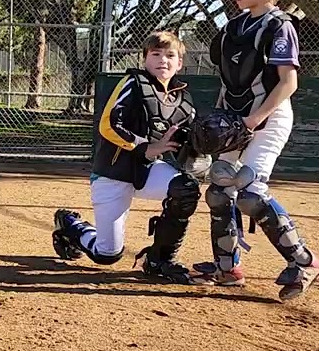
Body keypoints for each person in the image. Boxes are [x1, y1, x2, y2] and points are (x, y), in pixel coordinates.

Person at [190, 0, 319, 300]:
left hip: (269, 117)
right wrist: (222, 120)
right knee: (220, 190)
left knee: (250, 195)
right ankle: (228, 268)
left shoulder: (279, 26)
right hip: (236, 119)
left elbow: (288, 83)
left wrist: (253, 120)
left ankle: (306, 261)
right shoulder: (232, 27)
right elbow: (229, 82)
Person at [52, 31, 207, 284]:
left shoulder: (183, 99)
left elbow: (187, 140)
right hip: (113, 172)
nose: (163, 60)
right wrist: (145, 146)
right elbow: (108, 124)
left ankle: (159, 259)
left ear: (180, 63)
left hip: (147, 171)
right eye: (155, 54)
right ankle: (69, 224)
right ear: (144, 59)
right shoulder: (132, 84)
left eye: (170, 55)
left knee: (186, 189)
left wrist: (201, 148)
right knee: (107, 254)